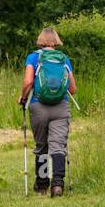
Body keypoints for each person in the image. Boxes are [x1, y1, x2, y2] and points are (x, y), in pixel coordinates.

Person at [19, 27, 76, 197]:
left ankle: (42, 185)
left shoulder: (33, 57)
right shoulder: (63, 58)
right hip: (61, 106)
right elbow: (72, 89)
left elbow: (28, 82)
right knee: (58, 146)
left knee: (42, 146)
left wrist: (23, 98)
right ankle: (57, 184)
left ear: (40, 40)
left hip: (38, 106)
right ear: (56, 40)